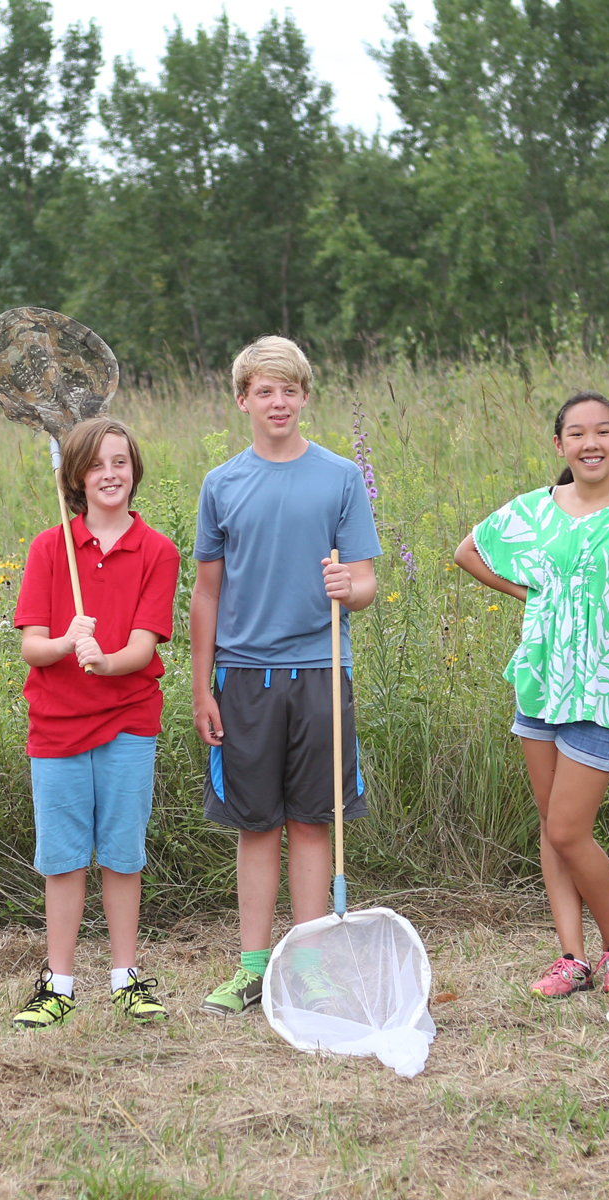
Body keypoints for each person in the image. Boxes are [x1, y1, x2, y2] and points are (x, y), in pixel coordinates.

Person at [453, 391, 609, 999]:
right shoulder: (534, 510)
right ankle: (571, 958)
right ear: (560, 444)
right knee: (550, 825)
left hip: (601, 691)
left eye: (603, 431)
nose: (591, 443)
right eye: (577, 434)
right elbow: (466, 551)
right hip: (539, 682)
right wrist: (531, 595)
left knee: (566, 830)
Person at [191, 336, 381, 1017]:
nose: (278, 402)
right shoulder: (222, 484)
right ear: (243, 400)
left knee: (311, 823)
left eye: (289, 390)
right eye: (264, 391)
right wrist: (201, 687)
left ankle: (309, 968)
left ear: (305, 398)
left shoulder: (339, 477)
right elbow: (206, 593)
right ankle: (252, 969)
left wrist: (350, 588)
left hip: (322, 670)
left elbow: (365, 581)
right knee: (257, 826)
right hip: (244, 677)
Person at [9, 418, 180, 1028]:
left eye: (121, 462)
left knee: (122, 853)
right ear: (77, 478)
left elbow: (142, 647)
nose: (111, 474)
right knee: (62, 857)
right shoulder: (48, 548)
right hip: (56, 725)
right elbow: (32, 647)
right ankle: (57, 984)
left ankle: (125, 977)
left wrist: (105, 661)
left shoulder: (158, 551)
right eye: (97, 465)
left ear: (134, 470)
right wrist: (64, 642)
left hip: (128, 720)